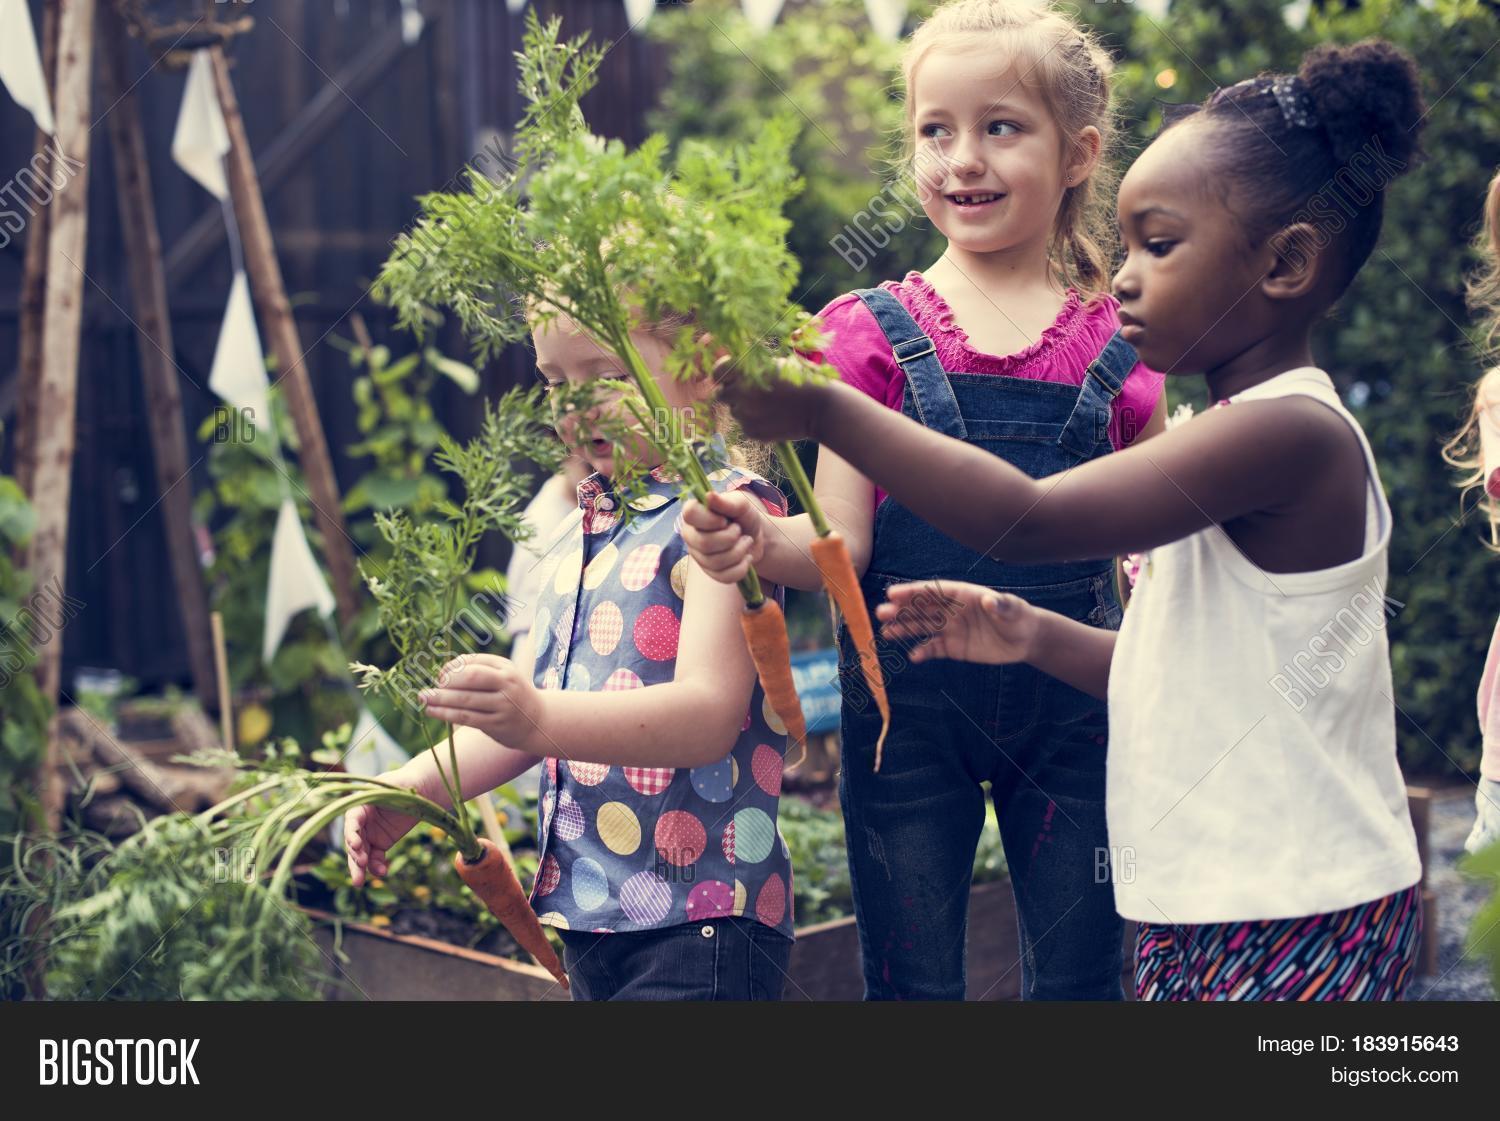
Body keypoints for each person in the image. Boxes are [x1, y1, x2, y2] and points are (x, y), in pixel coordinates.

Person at [714, 41, 1428, 1001]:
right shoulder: (1234, 432)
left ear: (1288, 262)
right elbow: (1181, 663)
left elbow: (1031, 519)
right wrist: (1035, 634)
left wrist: (830, 409)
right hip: (1207, 897)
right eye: (1125, 248)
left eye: (1159, 246)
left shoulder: (1286, 435)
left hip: (1298, 906)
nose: (1123, 278)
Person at [682, 0, 1163, 1000]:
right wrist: (756, 538)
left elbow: (1157, 557)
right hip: (903, 720)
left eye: (1001, 126)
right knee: (910, 987)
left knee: (1081, 981)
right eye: (935, 130)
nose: (962, 158)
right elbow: (841, 546)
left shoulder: (1124, 345)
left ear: (1078, 153)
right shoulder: (868, 336)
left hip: (1076, 716)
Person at [346, 307, 794, 1001]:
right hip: (592, 914)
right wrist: (417, 787)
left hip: (702, 914)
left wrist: (535, 714)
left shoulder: (723, 515)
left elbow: (707, 717)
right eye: (555, 381)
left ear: (703, 369)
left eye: (606, 374)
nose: (576, 406)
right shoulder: (575, 531)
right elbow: (531, 719)